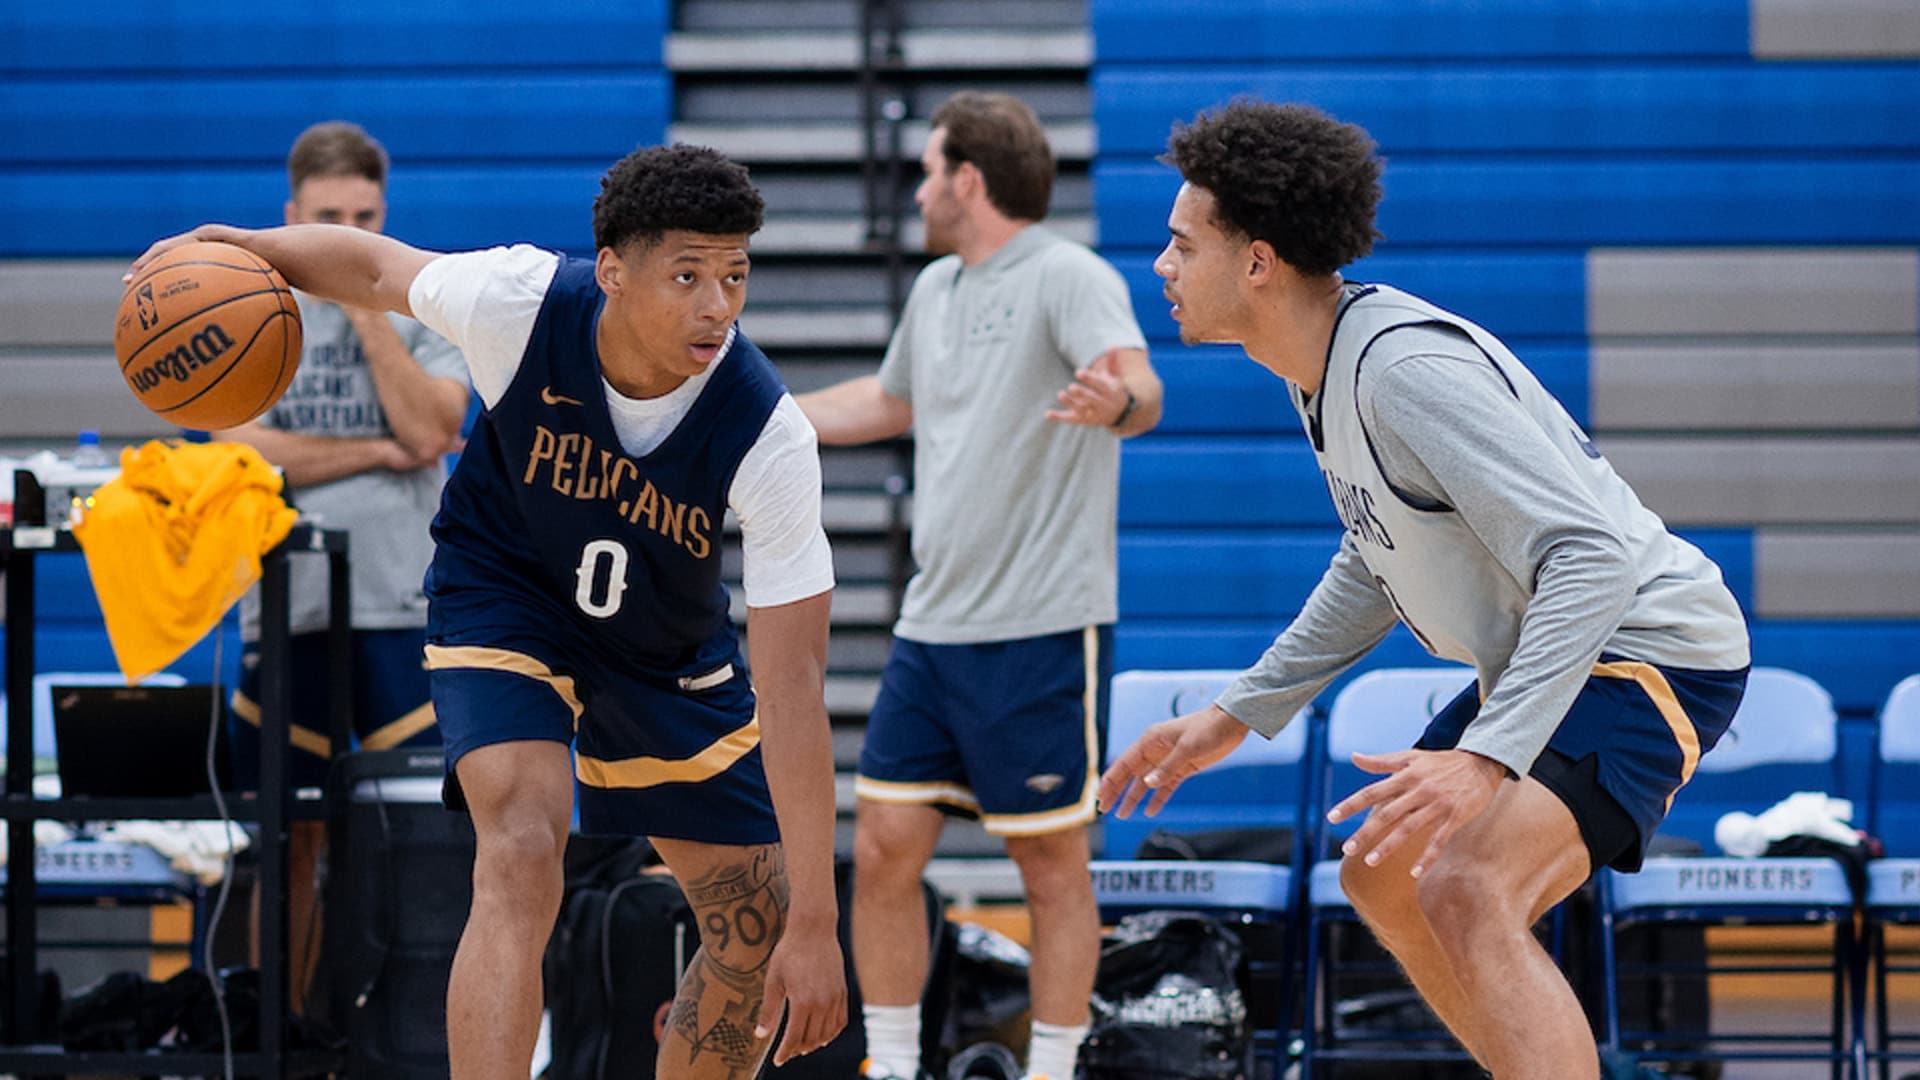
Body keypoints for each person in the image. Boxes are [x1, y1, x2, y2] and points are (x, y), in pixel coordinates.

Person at [130, 143, 847, 1079]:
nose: (718, 306)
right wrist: (243, 246)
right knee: (518, 843)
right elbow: (377, 266)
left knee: (752, 922)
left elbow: (792, 685)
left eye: (735, 276)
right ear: (614, 273)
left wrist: (818, 923)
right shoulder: (519, 302)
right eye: (688, 275)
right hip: (506, 593)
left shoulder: (769, 434)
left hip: (659, 646)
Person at [1097, 100, 1750, 1080]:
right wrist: (1238, 714)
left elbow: (1592, 555)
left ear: (1258, 262)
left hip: (1647, 650)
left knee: (1465, 888)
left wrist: (1489, 758)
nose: (1163, 267)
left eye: (1183, 245)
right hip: (1563, 653)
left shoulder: (1402, 368)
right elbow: (1376, 556)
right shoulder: (1323, 367)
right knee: (1387, 879)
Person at [796, 91, 1161, 1080]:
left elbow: (1141, 386)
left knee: (1048, 864)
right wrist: (767, 413)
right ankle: (895, 1063)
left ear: (967, 178)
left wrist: (1117, 399)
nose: (915, 189)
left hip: (1040, 625)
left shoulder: (1067, 275)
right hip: (933, 626)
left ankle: (1050, 1067)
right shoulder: (937, 290)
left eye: (925, 169)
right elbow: (887, 400)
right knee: (881, 848)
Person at [215, 120, 469, 1010]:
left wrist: (366, 308)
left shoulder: (420, 297)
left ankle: (407, 1041)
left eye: (365, 214)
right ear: (292, 214)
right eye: (331, 215)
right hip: (291, 609)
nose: (350, 229)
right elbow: (237, 444)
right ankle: (281, 1037)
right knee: (290, 840)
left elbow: (434, 431)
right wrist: (370, 452)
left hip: (403, 605)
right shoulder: (245, 303)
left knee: (419, 838)